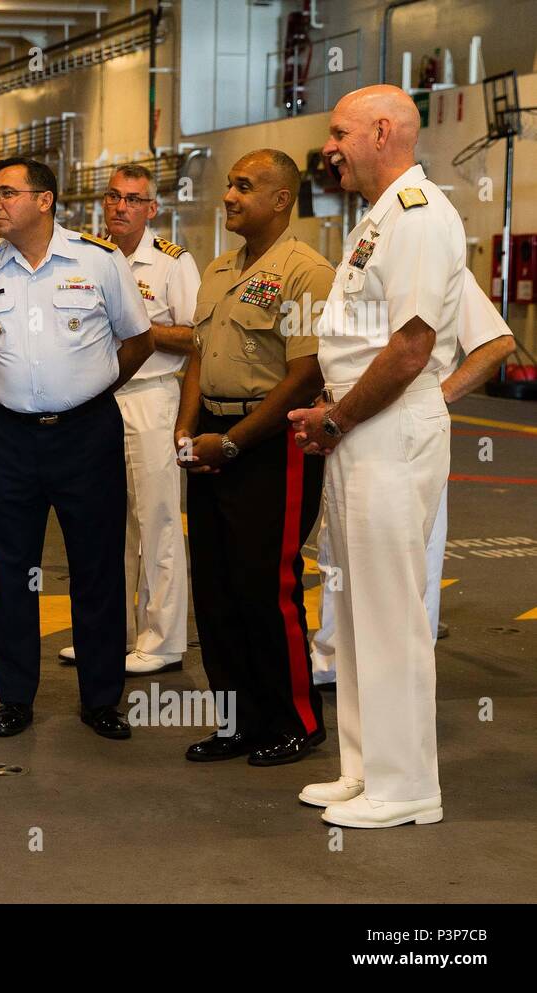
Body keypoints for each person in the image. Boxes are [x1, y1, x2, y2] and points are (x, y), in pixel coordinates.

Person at [289, 85, 467, 828]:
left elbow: (410, 348)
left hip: (388, 427)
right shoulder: (380, 218)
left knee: (392, 611)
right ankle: (364, 768)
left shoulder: (422, 218)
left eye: (339, 132)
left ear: (383, 131)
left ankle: (406, 786)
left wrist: (334, 420)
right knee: (355, 607)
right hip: (361, 430)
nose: (329, 147)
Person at [0, 156, 153, 739]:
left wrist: (89, 391)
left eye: (6, 193)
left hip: (88, 435)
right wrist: (20, 393)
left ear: (45, 201)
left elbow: (135, 341)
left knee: (96, 569)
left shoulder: (98, 261)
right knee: (14, 571)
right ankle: (15, 698)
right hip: (10, 440)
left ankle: (101, 700)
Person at [176, 149, 334, 766]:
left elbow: (304, 375)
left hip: (271, 444)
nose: (231, 196)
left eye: (246, 186)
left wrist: (236, 441)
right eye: (230, 185)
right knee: (216, 589)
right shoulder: (218, 270)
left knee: (267, 586)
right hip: (211, 436)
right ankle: (238, 722)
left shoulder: (307, 273)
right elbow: (197, 356)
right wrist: (187, 430)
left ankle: (294, 722)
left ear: (280, 200)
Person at [309, 278, 516, 689]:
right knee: (337, 551)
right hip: (351, 427)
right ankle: (333, 657)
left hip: (400, 430)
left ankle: (398, 675)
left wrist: (437, 395)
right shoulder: (366, 247)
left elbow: (497, 343)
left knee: (404, 560)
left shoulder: (431, 248)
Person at [59, 164, 199, 675]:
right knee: (101, 524)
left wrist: (138, 326)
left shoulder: (171, 265)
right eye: (114, 197)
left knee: (157, 521)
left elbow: (196, 337)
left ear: (152, 209)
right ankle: (106, 637)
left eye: (133, 200)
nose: (121, 207)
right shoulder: (88, 259)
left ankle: (162, 642)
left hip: (150, 396)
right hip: (96, 399)